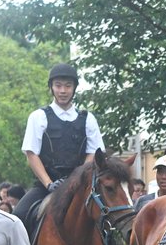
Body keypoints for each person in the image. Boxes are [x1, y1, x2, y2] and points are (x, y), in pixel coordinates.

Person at [15, 62, 106, 236]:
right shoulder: (38, 116)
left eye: (67, 86)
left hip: (80, 185)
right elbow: (31, 154)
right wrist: (49, 184)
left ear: (74, 89)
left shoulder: (88, 118)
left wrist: (77, 178)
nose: (63, 90)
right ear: (51, 88)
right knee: (18, 217)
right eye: (58, 86)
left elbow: (93, 153)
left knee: (109, 215)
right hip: (46, 185)